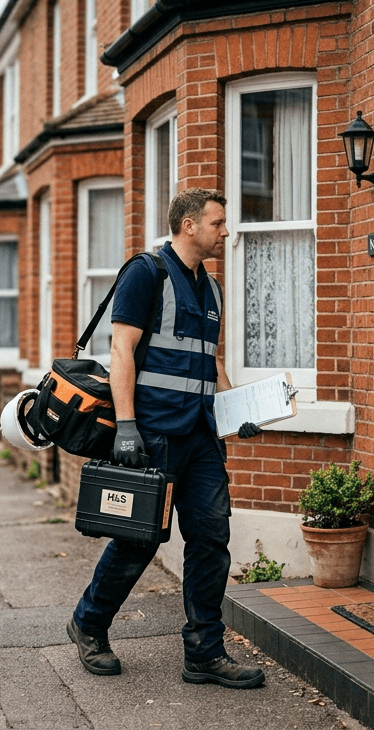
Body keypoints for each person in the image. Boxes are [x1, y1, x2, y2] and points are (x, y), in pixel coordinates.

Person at [67, 187, 266, 689]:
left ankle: (204, 651)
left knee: (210, 539)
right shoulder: (146, 273)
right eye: (218, 223)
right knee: (135, 542)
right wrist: (128, 426)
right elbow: (122, 351)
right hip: (153, 432)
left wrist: (234, 409)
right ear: (189, 225)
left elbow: (211, 364)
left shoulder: (213, 288)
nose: (227, 232)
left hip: (201, 438)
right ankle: (88, 624)